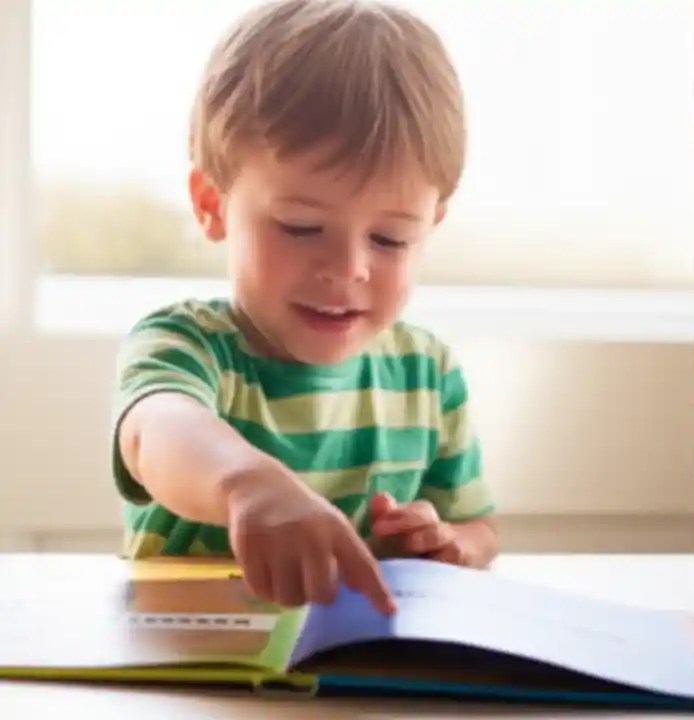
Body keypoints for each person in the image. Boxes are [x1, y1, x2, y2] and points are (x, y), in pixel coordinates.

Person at [112, 0, 498, 616]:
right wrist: (247, 485)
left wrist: (447, 545)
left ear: (431, 227)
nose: (349, 268)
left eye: (390, 239)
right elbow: (155, 433)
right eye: (300, 226)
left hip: (363, 690)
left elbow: (480, 529)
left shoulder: (428, 373)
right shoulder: (186, 342)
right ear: (213, 204)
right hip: (194, 681)